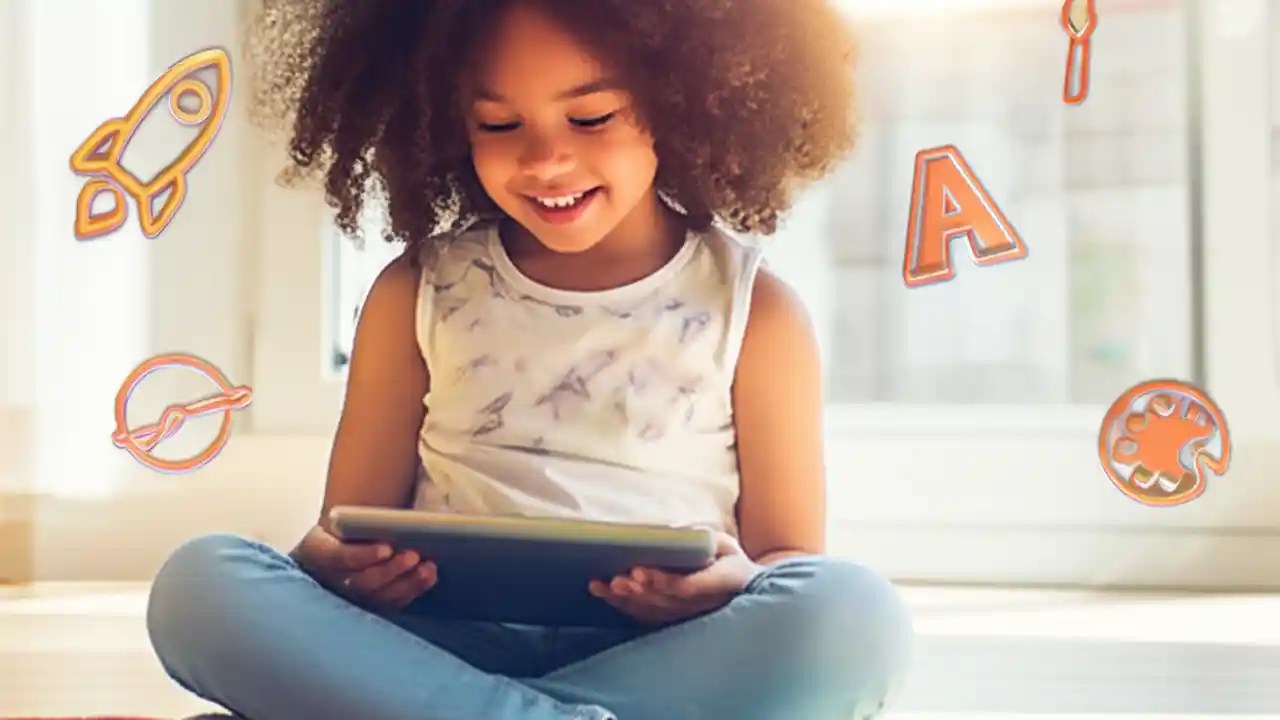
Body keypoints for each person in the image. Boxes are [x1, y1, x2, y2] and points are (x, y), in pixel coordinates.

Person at [146, 1, 914, 718]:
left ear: (685, 103)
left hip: (658, 653)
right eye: (498, 123)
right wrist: (328, 564)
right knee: (199, 587)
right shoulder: (417, 289)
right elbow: (349, 535)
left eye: (591, 116)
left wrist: (732, 581)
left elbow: (785, 564)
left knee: (855, 615)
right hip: (436, 642)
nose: (546, 158)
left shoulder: (758, 310)